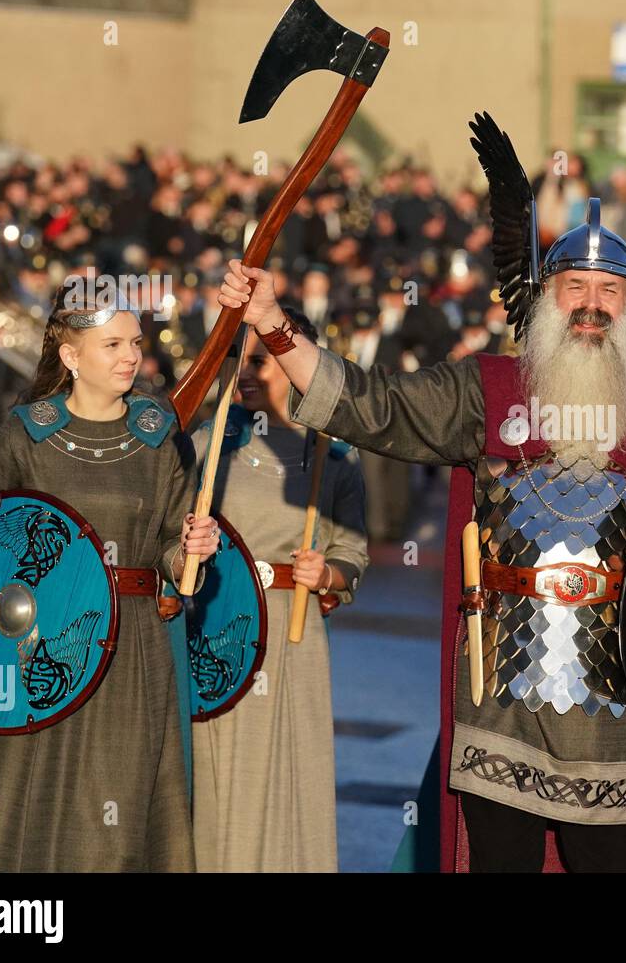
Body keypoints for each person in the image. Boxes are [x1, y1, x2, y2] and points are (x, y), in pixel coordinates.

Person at [218, 104, 626, 872]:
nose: (590, 304)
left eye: (609, 291)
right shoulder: (486, 392)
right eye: (574, 286)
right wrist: (273, 325)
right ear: (543, 295)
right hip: (502, 710)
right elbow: (372, 406)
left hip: (619, 723)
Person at [0, 280, 219, 871]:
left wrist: (189, 553)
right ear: (71, 356)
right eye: (113, 345)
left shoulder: (158, 438)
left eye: (135, 342)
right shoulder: (26, 435)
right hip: (39, 646)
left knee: (118, 801)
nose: (132, 356)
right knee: (33, 798)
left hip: (131, 647)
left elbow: (168, 556)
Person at [190, 309, 369, 872]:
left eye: (261, 360)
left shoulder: (336, 455)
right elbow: (167, 534)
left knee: (292, 767)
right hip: (220, 623)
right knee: (221, 770)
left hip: (294, 631)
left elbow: (353, 556)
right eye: (239, 359)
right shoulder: (206, 444)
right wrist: (189, 541)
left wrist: (328, 574)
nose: (246, 372)